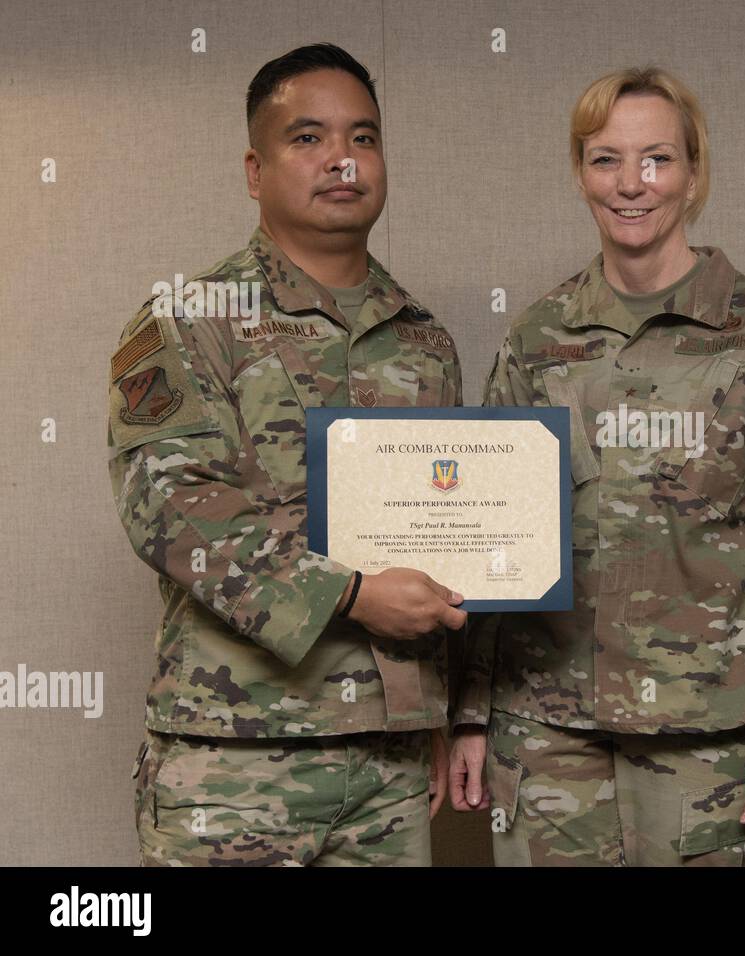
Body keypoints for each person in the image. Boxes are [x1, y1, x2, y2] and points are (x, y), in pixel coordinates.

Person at [448, 67, 745, 866]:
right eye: (606, 159)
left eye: (657, 160)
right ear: (579, 173)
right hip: (546, 728)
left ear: (694, 175)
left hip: (710, 732)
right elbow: (486, 534)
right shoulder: (538, 339)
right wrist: (470, 712)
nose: (631, 184)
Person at [109, 43, 466, 866]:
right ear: (254, 168)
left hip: (388, 764)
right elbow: (169, 508)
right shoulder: (186, 318)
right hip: (233, 758)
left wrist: (439, 707)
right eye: (308, 138)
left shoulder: (425, 340)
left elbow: (448, 533)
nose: (342, 159)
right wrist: (347, 594)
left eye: (364, 138)